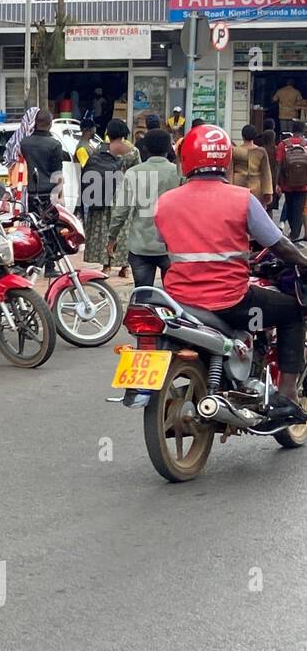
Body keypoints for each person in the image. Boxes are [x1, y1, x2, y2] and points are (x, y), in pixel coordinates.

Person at [155, 124, 307, 427]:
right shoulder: (241, 198)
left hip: (179, 300)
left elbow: (170, 244)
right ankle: (288, 397)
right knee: (292, 313)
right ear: (225, 159)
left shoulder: (166, 202)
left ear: (185, 160)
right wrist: (303, 262)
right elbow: (278, 243)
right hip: (230, 300)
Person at [105, 128, 181, 289]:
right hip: (171, 246)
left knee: (142, 294)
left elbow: (121, 211)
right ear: (169, 148)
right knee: (174, 295)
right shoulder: (179, 174)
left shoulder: (133, 173)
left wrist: (112, 238)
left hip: (141, 245)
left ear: (145, 148)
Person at [81, 118, 136, 269]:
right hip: (123, 194)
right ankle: (124, 266)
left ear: (108, 133)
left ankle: (106, 265)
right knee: (122, 230)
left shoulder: (100, 148)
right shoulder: (132, 151)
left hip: (102, 192)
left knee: (104, 229)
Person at [19, 109, 66, 211]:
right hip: (50, 194)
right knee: (50, 226)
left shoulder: (24, 143)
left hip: (32, 194)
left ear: (36, 123)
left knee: (34, 225)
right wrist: (61, 196)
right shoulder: (54, 145)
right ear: (50, 124)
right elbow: (58, 174)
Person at [275, 119, 307, 238]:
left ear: (292, 130)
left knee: (289, 207)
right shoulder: (306, 144)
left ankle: (293, 234)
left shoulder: (283, 144)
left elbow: (278, 165)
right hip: (303, 184)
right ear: (303, 130)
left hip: (287, 183)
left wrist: (277, 183)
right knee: (299, 210)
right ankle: (294, 235)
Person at [232, 124, 274, 205]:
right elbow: (266, 173)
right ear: (255, 136)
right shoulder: (261, 151)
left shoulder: (235, 151)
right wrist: (268, 192)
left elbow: (230, 171)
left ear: (242, 136)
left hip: (238, 185)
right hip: (256, 186)